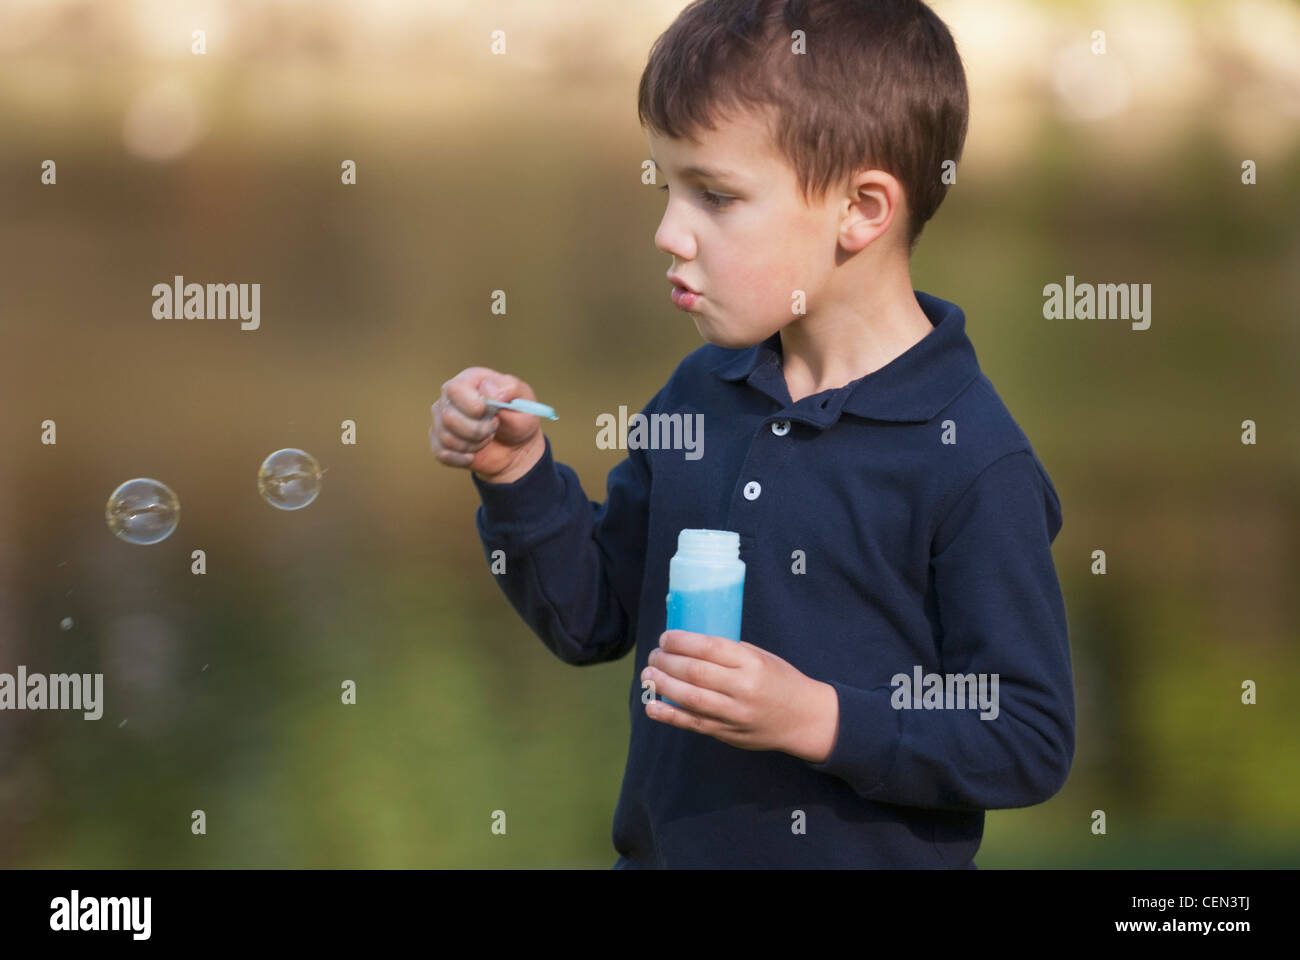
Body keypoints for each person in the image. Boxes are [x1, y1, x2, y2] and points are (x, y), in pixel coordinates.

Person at [430, 0, 1074, 868]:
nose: (667, 232)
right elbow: (593, 620)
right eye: (667, 188)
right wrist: (517, 472)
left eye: (715, 196)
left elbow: (1024, 732)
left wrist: (817, 717)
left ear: (862, 209)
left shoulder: (969, 459)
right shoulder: (702, 394)